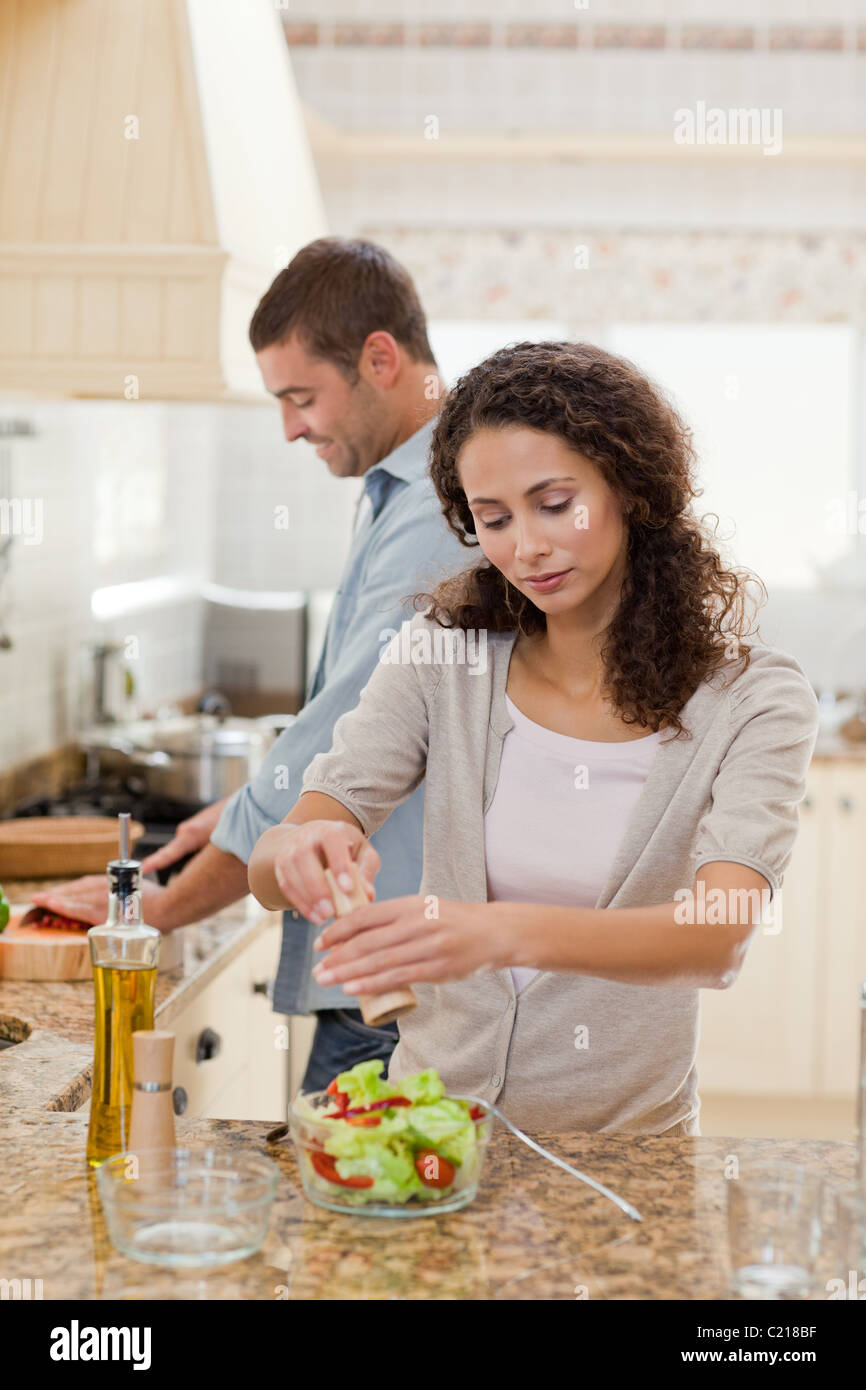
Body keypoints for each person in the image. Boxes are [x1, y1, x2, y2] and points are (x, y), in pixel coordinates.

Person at [248, 339, 821, 1135]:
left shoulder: (753, 698)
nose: (526, 546)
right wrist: (297, 854)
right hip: (428, 1136)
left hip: (625, 1162)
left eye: (555, 505)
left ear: (630, 487)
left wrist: (493, 933)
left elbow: (717, 934)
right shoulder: (441, 654)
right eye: (493, 518)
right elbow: (282, 851)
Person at [31, 238, 470, 1091]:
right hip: (381, 958)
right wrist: (236, 807)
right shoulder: (399, 491)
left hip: (394, 977)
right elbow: (362, 730)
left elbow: (336, 740)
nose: (291, 427)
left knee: (351, 1216)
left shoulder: (436, 511)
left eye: (302, 397)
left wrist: (152, 915)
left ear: (380, 358)